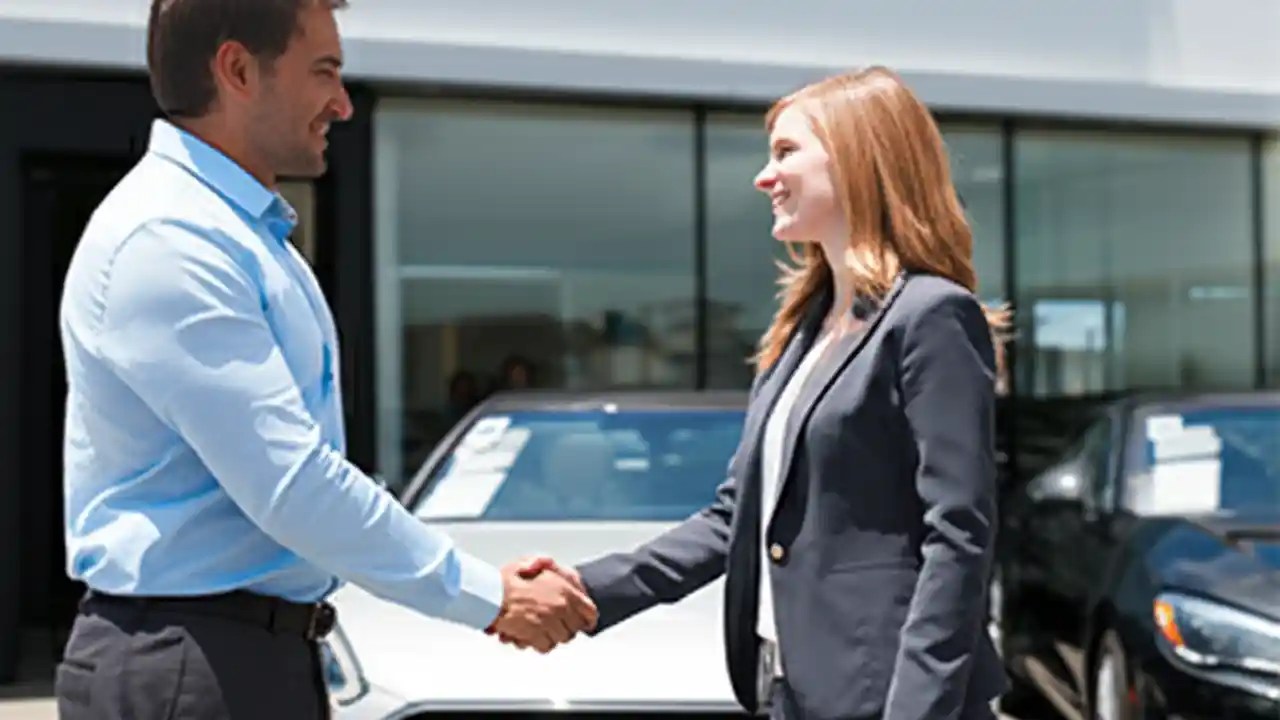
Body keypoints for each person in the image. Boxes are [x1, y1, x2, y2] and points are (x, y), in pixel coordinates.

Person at [55, 1, 594, 718]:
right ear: (239, 70)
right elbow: (291, 481)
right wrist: (489, 595)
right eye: (324, 73)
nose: (342, 104)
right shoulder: (172, 239)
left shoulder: (237, 234)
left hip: (236, 656)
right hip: (197, 666)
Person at [509, 66, 1012, 719]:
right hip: (790, 691)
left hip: (888, 697)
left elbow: (960, 534)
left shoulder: (930, 316)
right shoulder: (802, 331)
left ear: (859, 159)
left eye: (785, 152)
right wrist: (586, 589)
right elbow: (734, 518)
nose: (763, 177)